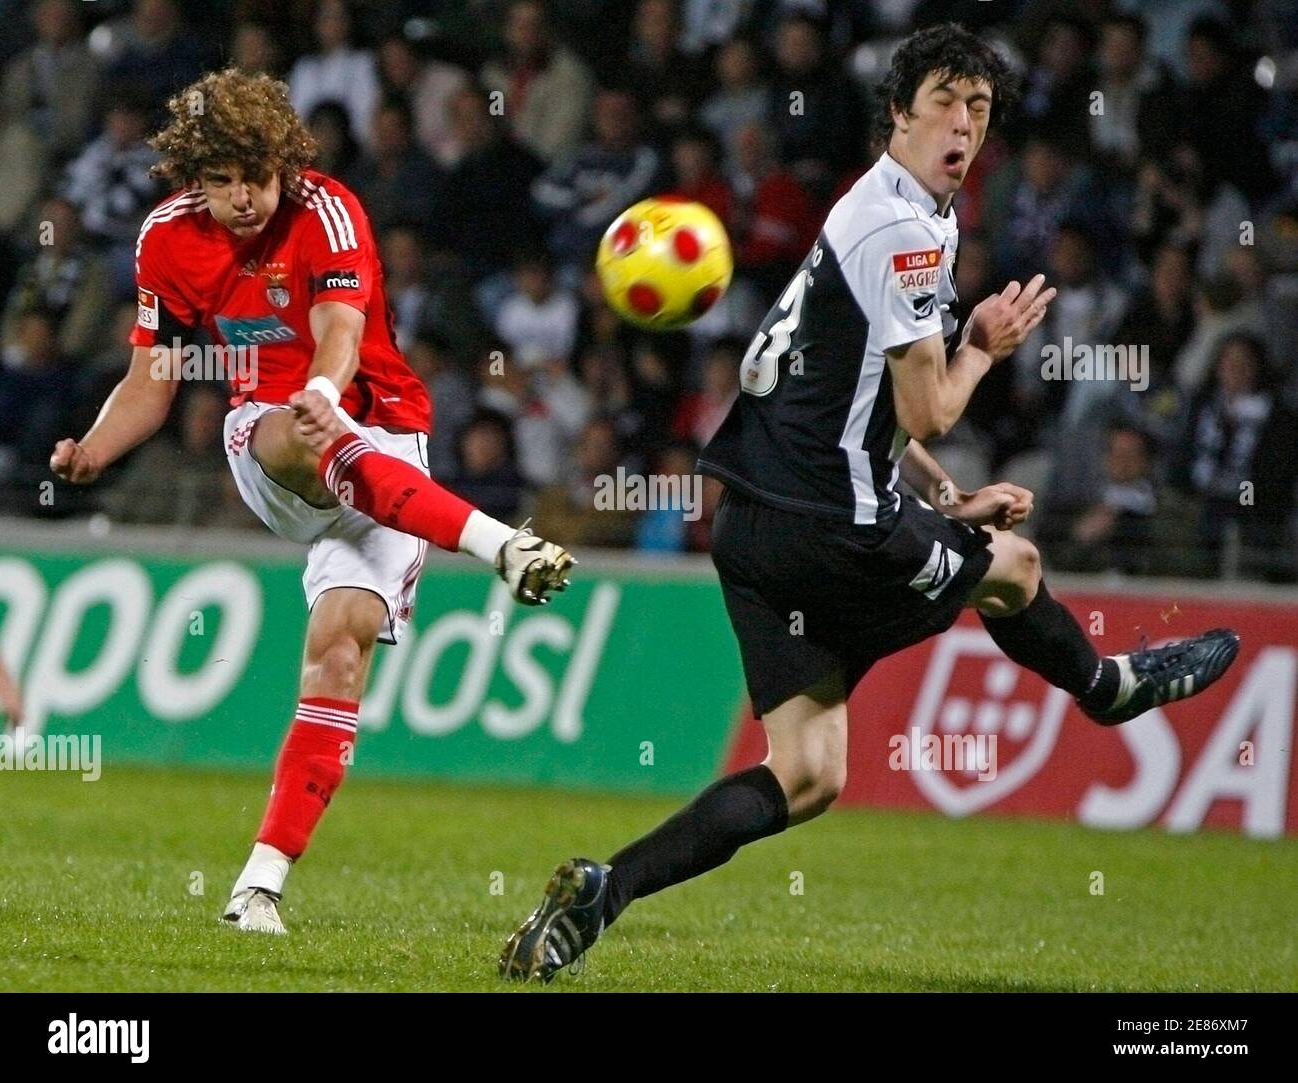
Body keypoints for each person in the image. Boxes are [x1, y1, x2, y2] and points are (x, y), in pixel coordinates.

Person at [499, 23, 1240, 983]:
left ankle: (607, 890)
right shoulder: (904, 230)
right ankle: (1109, 692)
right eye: (943, 100)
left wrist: (944, 491)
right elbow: (930, 397)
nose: (962, 123)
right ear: (897, 110)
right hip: (829, 528)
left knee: (807, 773)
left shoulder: (885, 207)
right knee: (1013, 570)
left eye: (979, 108)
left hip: (753, 526)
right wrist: (985, 345)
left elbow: (866, 398)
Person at [48, 68, 574, 936]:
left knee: (339, 653)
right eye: (220, 181)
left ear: (281, 162)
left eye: (254, 175)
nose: (242, 197)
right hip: (270, 434)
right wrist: (94, 448)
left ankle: (258, 886)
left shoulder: (329, 210)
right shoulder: (168, 240)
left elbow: (342, 331)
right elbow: (155, 376)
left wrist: (328, 391)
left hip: (383, 431)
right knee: (299, 438)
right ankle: (500, 547)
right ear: (195, 178)